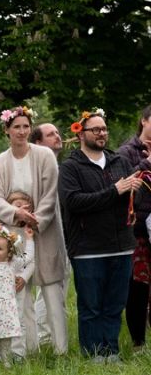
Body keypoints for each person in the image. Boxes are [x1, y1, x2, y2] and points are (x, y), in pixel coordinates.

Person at [59, 108, 140, 362]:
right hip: (88, 248)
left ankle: (111, 352)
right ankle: (93, 354)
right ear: (81, 133)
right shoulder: (71, 167)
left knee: (115, 305)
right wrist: (115, 191)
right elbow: (73, 202)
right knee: (91, 306)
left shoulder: (120, 161)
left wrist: (133, 190)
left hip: (122, 245)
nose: (102, 133)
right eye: (95, 129)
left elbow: (129, 200)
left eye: (104, 129)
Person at [0, 106, 68, 355]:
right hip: (14, 233)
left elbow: (50, 192)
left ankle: (60, 349)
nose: (22, 131)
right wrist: (16, 214)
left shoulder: (44, 156)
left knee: (52, 291)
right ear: (7, 131)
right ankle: (28, 349)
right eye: (16, 127)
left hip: (44, 230)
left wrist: (36, 219)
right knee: (21, 292)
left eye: (25, 126)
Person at [117, 104, 151, 353]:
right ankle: (138, 342)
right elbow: (123, 183)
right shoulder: (127, 151)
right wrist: (146, 162)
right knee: (138, 286)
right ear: (143, 121)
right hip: (139, 229)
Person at [0, 221, 34, 366]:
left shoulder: (13, 265)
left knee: (6, 340)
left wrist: (29, 239)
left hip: (8, 310)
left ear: (9, 252)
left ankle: (7, 365)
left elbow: (28, 257)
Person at [29, 122, 65, 346]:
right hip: (42, 236)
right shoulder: (38, 169)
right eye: (51, 135)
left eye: (58, 133)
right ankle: (42, 338)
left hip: (63, 237)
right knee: (48, 289)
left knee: (59, 288)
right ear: (38, 143)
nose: (58, 137)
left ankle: (51, 336)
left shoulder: (58, 166)